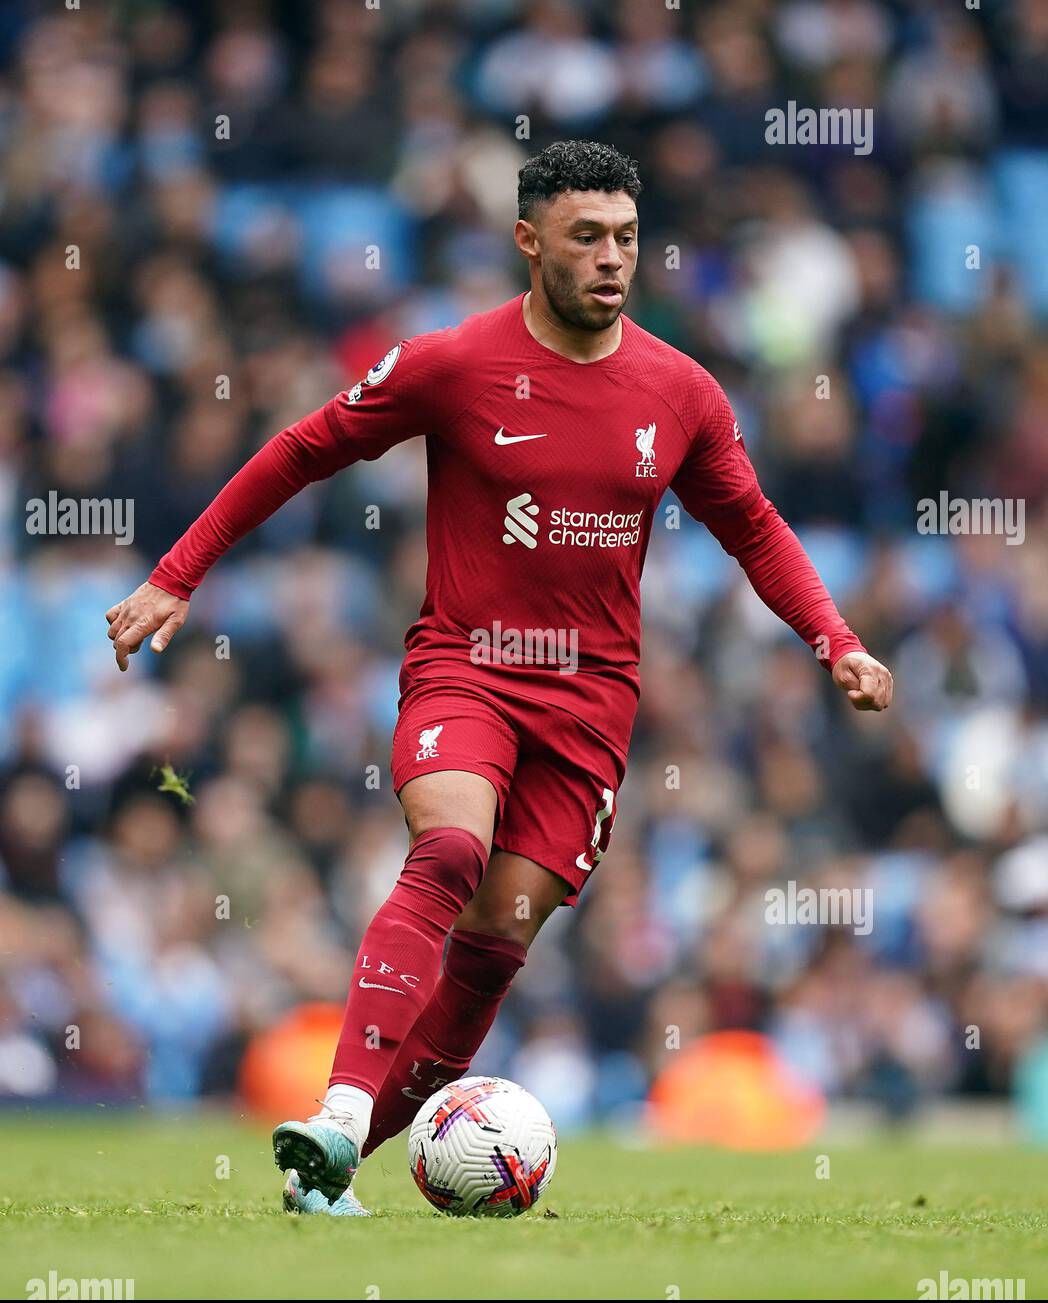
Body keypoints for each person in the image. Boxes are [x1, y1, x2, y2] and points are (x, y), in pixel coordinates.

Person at [106, 140, 893, 1215]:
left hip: (591, 705)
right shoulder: (453, 363)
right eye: (585, 237)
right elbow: (303, 447)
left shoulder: (681, 390)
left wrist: (833, 639)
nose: (611, 258)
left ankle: (335, 1166)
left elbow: (752, 527)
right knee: (450, 846)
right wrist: (175, 575)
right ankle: (337, 1107)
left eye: (624, 237)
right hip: (464, 671)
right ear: (529, 241)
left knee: (493, 943)